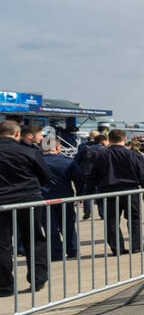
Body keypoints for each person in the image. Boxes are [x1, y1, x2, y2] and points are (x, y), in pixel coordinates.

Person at [0, 119, 50, 295]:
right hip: (29, 199)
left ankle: (4, 286)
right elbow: (45, 176)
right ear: (16, 134)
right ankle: (38, 279)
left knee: (2, 244)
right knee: (34, 240)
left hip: (2, 202)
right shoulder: (29, 152)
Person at [84, 129, 144, 254]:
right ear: (124, 139)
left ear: (109, 140)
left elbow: (92, 175)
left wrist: (88, 193)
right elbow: (143, 173)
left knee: (111, 221)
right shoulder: (133, 154)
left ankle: (117, 248)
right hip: (130, 191)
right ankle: (136, 245)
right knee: (134, 219)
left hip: (109, 191)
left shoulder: (101, 155)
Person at [41, 142, 82, 260]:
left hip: (44, 198)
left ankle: (56, 253)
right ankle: (73, 249)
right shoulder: (68, 161)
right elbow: (79, 179)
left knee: (50, 227)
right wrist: (79, 194)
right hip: (65, 197)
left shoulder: (36, 162)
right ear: (58, 148)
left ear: (41, 148)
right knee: (68, 224)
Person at [74, 132, 106, 220]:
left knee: (87, 192)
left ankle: (87, 209)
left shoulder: (83, 146)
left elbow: (77, 160)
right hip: (99, 173)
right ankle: (102, 213)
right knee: (100, 193)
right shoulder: (103, 148)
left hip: (86, 172)